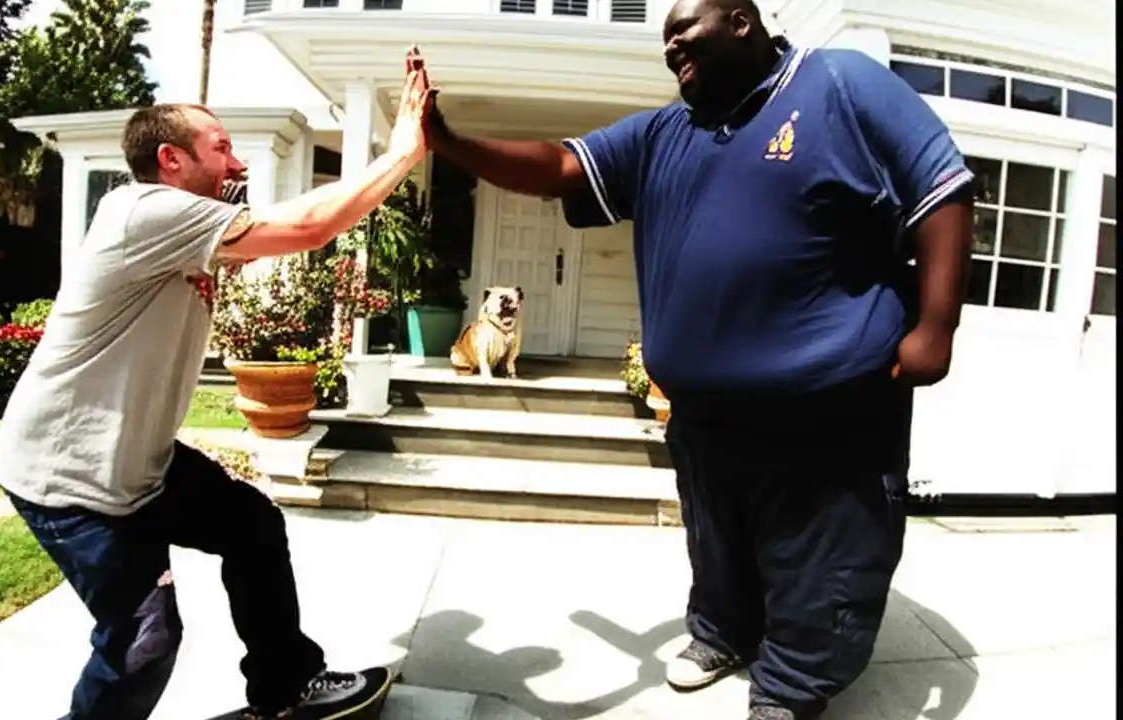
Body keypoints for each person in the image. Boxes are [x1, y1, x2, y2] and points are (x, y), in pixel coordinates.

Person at [416, 0, 974, 716]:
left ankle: (793, 685)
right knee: (718, 543)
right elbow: (559, 165)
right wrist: (449, 142)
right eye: (664, 38)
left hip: (824, 413)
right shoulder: (663, 133)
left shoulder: (838, 84)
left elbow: (942, 189)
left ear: (741, 21)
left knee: (817, 557)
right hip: (707, 417)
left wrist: (937, 325)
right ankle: (723, 634)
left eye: (684, 28)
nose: (669, 45)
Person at [0, 52, 432, 720]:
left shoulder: (183, 231)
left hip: (143, 469)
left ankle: (286, 686)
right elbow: (311, 227)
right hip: (72, 482)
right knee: (144, 640)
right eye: (221, 149)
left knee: (252, 526)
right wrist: (402, 152)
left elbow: (300, 214)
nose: (237, 164)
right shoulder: (145, 211)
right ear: (171, 161)